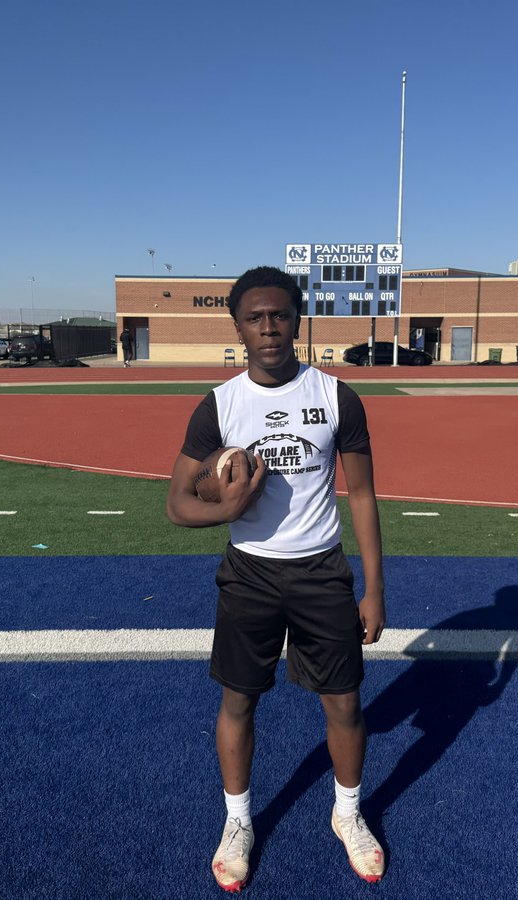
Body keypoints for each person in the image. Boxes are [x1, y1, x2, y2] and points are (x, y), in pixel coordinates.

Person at [166, 266, 386, 890]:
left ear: (297, 320)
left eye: (280, 315)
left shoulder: (337, 396)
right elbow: (177, 503)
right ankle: (238, 822)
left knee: (344, 700)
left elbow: (362, 495)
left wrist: (374, 588)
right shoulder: (220, 404)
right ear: (238, 327)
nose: (269, 328)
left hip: (322, 570)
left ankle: (348, 813)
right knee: (238, 699)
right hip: (250, 574)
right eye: (255, 318)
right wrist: (227, 509)